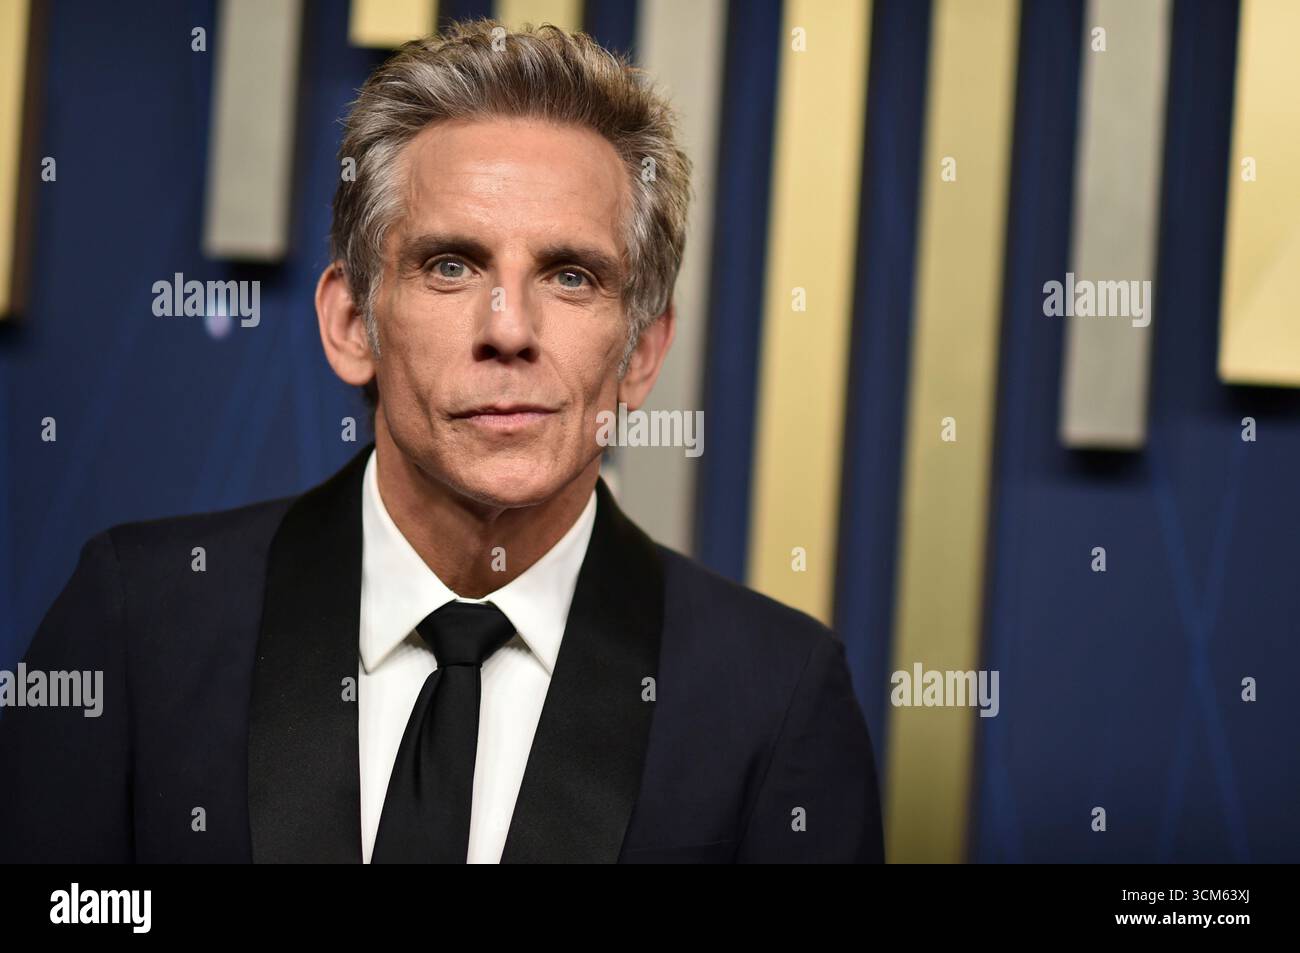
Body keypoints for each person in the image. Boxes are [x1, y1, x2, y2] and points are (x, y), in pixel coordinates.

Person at [0, 20, 882, 863]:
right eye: (451, 265)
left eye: (571, 276)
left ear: (642, 354)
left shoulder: (775, 695)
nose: (509, 329)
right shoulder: (141, 620)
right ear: (351, 322)